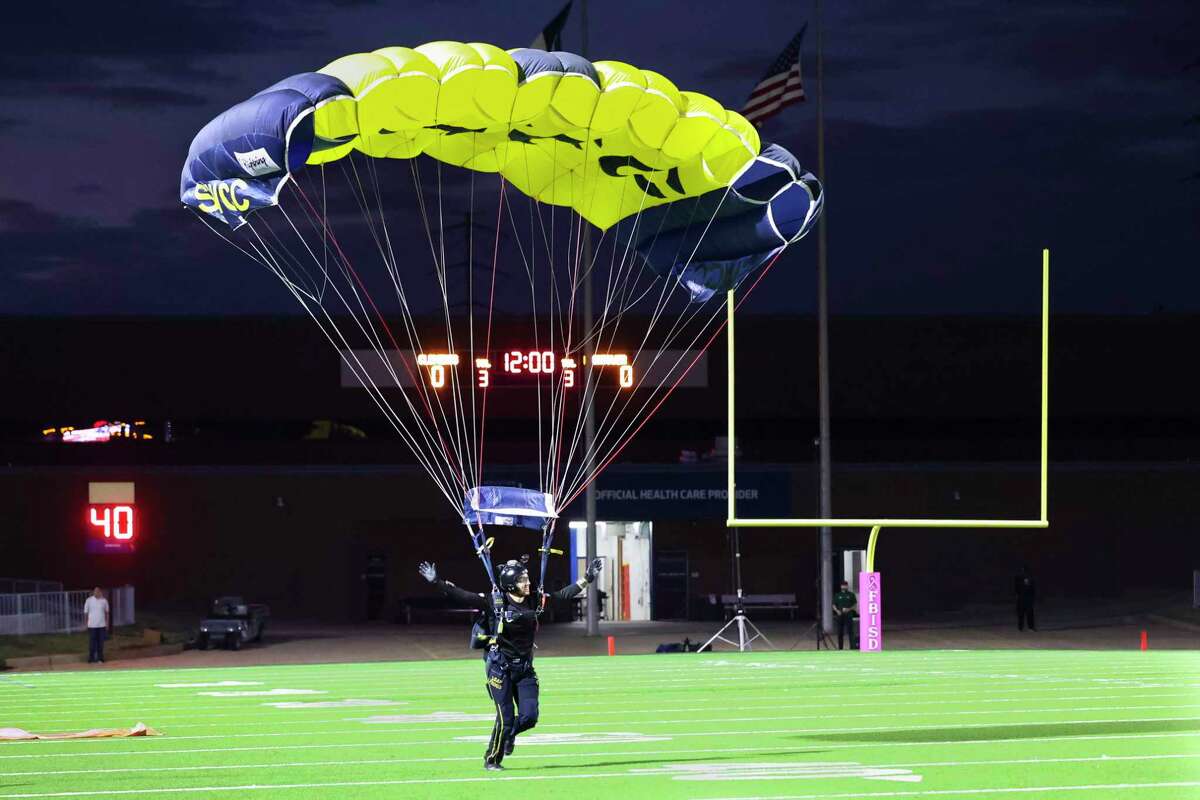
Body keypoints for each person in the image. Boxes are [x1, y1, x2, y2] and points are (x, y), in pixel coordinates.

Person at [418, 556, 602, 771]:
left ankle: (508, 736)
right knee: (504, 718)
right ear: (511, 584)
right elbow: (464, 596)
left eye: (527, 579)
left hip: (524, 668)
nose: (528, 583)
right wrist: (437, 582)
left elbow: (563, 595)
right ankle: (492, 759)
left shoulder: (535, 599)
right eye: (523, 580)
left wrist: (587, 578)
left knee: (529, 717)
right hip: (500, 668)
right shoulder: (495, 601)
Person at [83, 587, 109, 663]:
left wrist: (107, 623)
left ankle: (100, 658)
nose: (97, 592)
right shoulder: (89, 600)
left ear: (100, 592)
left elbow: (107, 613)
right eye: (95, 591)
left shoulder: (104, 601)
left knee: (101, 643)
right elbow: (86, 613)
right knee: (92, 643)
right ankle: (91, 658)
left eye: (98, 591)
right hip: (92, 626)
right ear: (93, 592)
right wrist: (86, 624)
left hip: (102, 626)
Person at [832, 579, 858, 650]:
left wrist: (848, 609)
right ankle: (840, 648)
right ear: (841, 586)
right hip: (840, 615)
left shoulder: (851, 594)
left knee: (850, 631)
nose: (844, 586)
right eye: (843, 585)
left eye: (845, 585)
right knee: (840, 632)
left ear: (847, 586)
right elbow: (833, 605)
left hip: (849, 614)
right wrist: (837, 611)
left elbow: (855, 605)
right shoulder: (837, 595)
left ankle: (852, 647)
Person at [1014, 566, 1037, 631]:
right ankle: (1020, 627)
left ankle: (1030, 627)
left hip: (1028, 598)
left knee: (1029, 613)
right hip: (1021, 598)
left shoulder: (1030, 578)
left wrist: (1032, 597)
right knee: (1021, 614)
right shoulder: (1018, 578)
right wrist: (1017, 595)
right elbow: (1016, 588)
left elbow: (1033, 589)